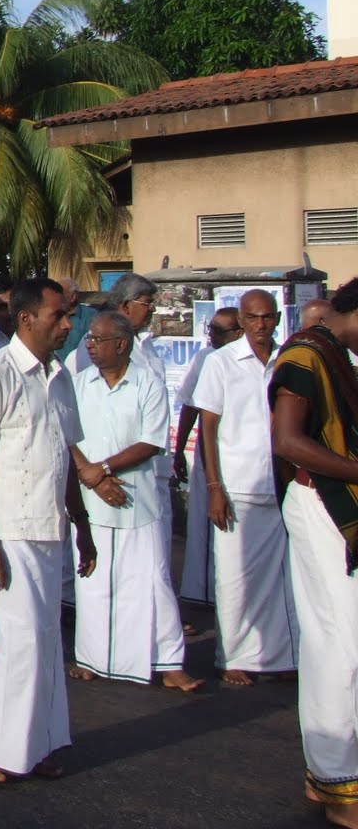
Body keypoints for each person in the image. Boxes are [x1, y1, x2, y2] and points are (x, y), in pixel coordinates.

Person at [0, 277, 96, 784]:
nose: (67, 324)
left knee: (43, 642)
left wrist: (82, 526)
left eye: (67, 316)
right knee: (22, 640)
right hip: (9, 528)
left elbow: (67, 458)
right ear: (26, 318)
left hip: (49, 527)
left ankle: (35, 744)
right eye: (58, 315)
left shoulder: (59, 377)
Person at [68, 312, 203, 692]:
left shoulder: (148, 384)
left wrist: (105, 469)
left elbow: (151, 441)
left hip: (137, 499)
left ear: (121, 344)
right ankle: (93, 658)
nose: (89, 345)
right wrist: (91, 476)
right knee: (94, 583)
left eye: (97, 339)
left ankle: (169, 663)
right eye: (90, 339)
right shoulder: (79, 383)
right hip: (91, 499)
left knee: (151, 581)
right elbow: (65, 434)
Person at [268, 277, 358, 825]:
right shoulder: (307, 353)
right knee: (338, 645)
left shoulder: (335, 353)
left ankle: (333, 776)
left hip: (334, 506)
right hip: (317, 502)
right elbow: (289, 441)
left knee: (346, 641)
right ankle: (337, 786)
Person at [192, 289, 299, 685]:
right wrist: (214, 486)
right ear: (241, 320)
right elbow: (209, 426)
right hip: (238, 485)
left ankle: (281, 656)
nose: (261, 325)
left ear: (276, 318)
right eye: (252, 318)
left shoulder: (287, 359)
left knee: (285, 578)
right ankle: (233, 655)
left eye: (267, 317)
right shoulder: (221, 362)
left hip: (282, 482)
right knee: (236, 577)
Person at [175, 308, 243, 607]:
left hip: (245, 458)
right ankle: (202, 591)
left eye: (219, 330)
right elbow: (192, 406)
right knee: (206, 519)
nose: (211, 335)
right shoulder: (206, 358)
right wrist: (179, 451)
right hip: (211, 451)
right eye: (210, 328)